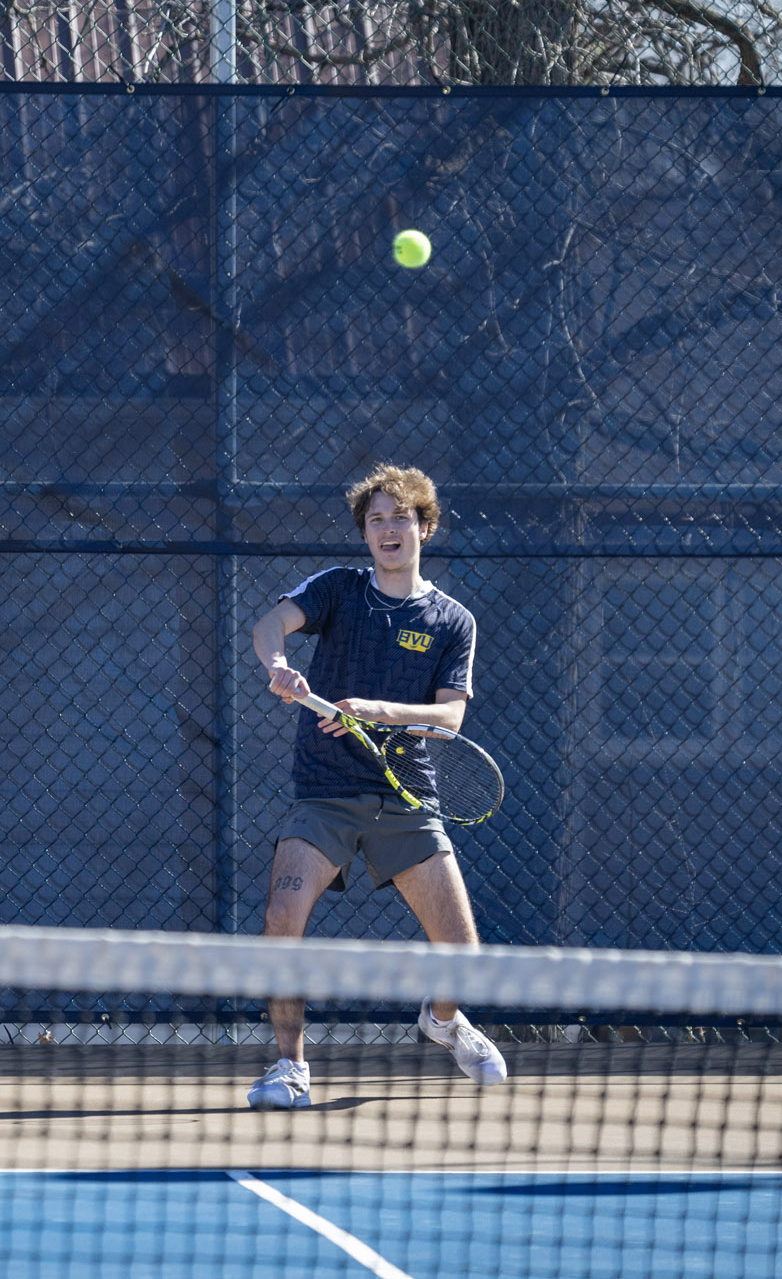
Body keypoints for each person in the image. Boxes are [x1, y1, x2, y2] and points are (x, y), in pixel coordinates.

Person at [244, 463, 506, 1110]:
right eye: (377, 519)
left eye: (401, 517)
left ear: (425, 525)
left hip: (406, 796)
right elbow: (268, 624)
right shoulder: (338, 589)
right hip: (325, 791)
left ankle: (442, 1020)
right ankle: (289, 1066)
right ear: (366, 532)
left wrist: (376, 710)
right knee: (282, 918)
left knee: (462, 951)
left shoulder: (452, 621)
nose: (389, 529)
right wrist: (278, 664)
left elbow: (449, 719)